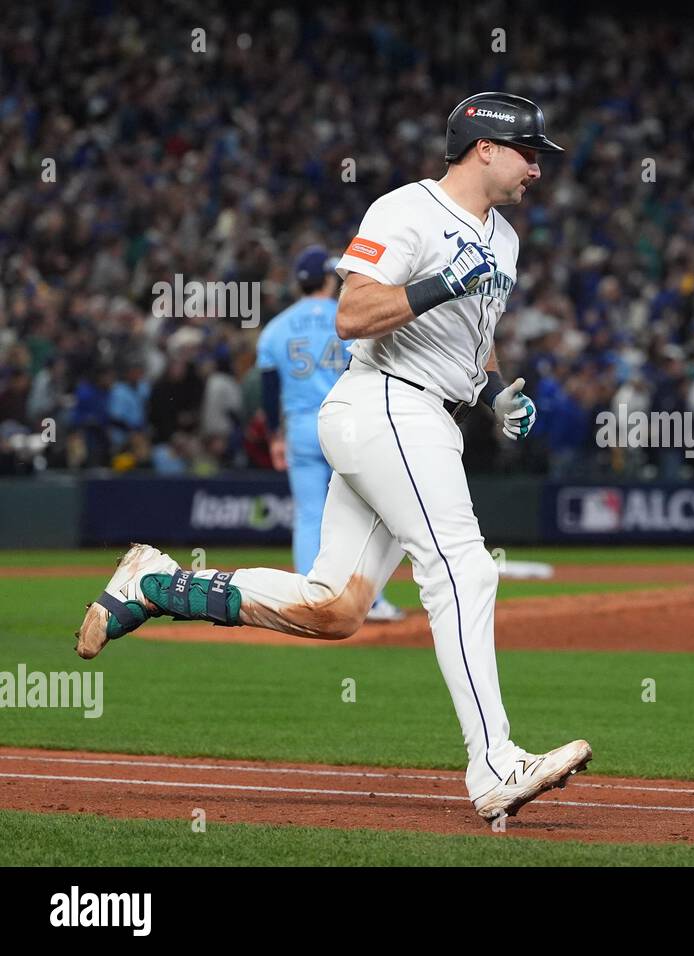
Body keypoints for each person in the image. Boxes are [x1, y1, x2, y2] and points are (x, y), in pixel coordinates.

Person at [75, 92, 590, 822]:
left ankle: (159, 585)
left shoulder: (503, 238)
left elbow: (471, 335)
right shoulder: (404, 211)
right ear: (483, 148)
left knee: (336, 608)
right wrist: (442, 281)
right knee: (462, 566)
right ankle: (494, 764)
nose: (538, 167)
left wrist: (496, 392)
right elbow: (352, 313)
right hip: (385, 401)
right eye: (528, 151)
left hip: (428, 415)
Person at [256, 246, 404, 622]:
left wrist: (275, 437)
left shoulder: (275, 329)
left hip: (301, 428)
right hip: (349, 421)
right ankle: (371, 601)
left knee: (308, 515)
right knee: (367, 512)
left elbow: (269, 393)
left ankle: (311, 599)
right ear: (327, 279)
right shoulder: (351, 315)